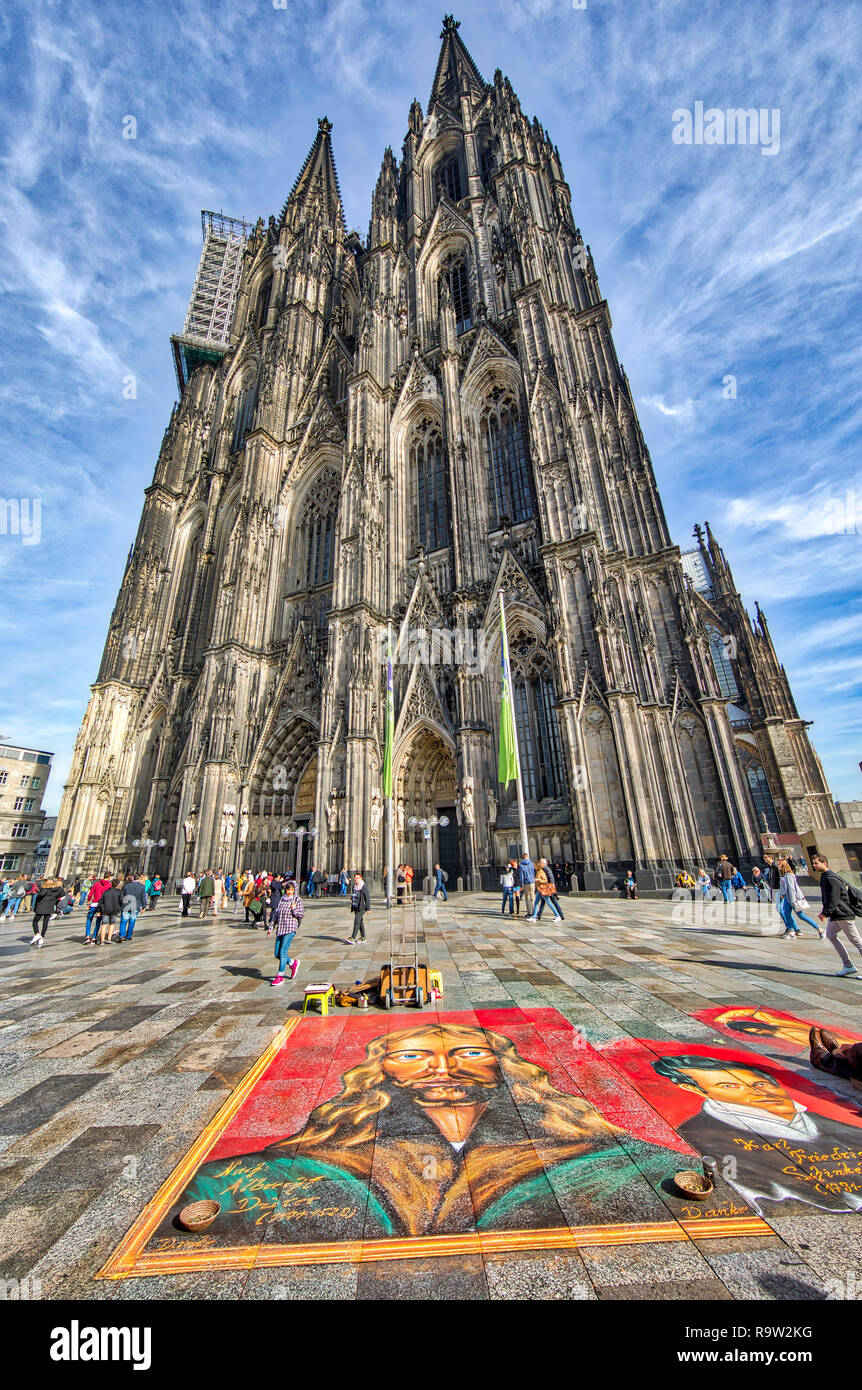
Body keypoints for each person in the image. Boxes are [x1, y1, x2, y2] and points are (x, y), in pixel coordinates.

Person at [651, 1053, 862, 1214]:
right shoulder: (704, 1138)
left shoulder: (834, 1125)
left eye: (761, 1083)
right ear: (694, 1089)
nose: (758, 1093)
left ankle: (836, 1055)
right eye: (730, 1086)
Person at [812, 852, 862, 978]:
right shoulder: (826, 876)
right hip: (836, 915)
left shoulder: (830, 878)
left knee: (856, 941)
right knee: (830, 935)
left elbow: (834, 898)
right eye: (813, 863)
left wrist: (825, 913)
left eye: (816, 863)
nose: (814, 866)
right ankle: (848, 965)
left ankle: (848, 965)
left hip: (843, 914)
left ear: (824, 863)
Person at [267, 879, 303, 986]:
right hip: (281, 928)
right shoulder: (282, 899)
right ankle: (293, 963)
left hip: (291, 928)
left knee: (283, 951)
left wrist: (293, 909)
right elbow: (276, 914)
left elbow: (300, 915)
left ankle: (280, 976)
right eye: (288, 889)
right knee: (277, 953)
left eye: (291, 890)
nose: (289, 892)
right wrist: (270, 927)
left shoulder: (297, 900)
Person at [777, 858, 823, 939]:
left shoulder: (788, 875)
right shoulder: (784, 876)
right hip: (788, 899)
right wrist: (783, 894)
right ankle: (791, 932)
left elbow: (791, 889)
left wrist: (792, 901)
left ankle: (820, 929)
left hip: (793, 900)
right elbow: (785, 889)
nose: (778, 866)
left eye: (779, 864)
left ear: (783, 865)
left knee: (801, 916)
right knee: (787, 914)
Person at [30, 877, 63, 947]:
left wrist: (38, 895)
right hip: (50, 907)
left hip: (41, 906)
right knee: (45, 923)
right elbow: (63, 895)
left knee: (35, 921)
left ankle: (37, 934)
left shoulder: (45, 888)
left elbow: (41, 895)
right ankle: (42, 937)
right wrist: (55, 900)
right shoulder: (58, 888)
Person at [119, 874, 147, 942]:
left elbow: (122, 896)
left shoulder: (127, 886)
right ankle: (128, 936)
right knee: (132, 922)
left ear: (133, 879)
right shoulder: (142, 886)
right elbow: (143, 897)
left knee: (123, 921)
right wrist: (143, 907)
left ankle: (122, 935)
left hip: (126, 905)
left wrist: (120, 904)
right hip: (135, 906)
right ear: (139, 879)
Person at [83, 876, 111, 944]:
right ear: (109, 877)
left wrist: (88, 902)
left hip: (94, 904)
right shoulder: (109, 885)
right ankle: (94, 937)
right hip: (101, 905)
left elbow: (90, 894)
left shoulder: (96, 884)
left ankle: (87, 936)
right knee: (98, 921)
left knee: (89, 919)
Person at [347, 871, 370, 944]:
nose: (356, 879)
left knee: (356, 921)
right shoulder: (355, 886)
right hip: (356, 906)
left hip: (362, 907)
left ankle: (353, 938)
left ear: (361, 878)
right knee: (360, 922)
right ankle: (363, 937)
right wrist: (352, 897)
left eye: (358, 878)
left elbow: (367, 897)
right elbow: (355, 894)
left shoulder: (363, 887)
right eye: (355, 878)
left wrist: (368, 908)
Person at [97, 878, 123, 944]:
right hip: (114, 910)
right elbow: (121, 901)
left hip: (105, 910)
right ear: (118, 885)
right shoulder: (119, 892)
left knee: (104, 924)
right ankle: (109, 939)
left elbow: (101, 902)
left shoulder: (106, 892)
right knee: (112, 924)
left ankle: (102, 940)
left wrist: (99, 910)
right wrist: (119, 907)